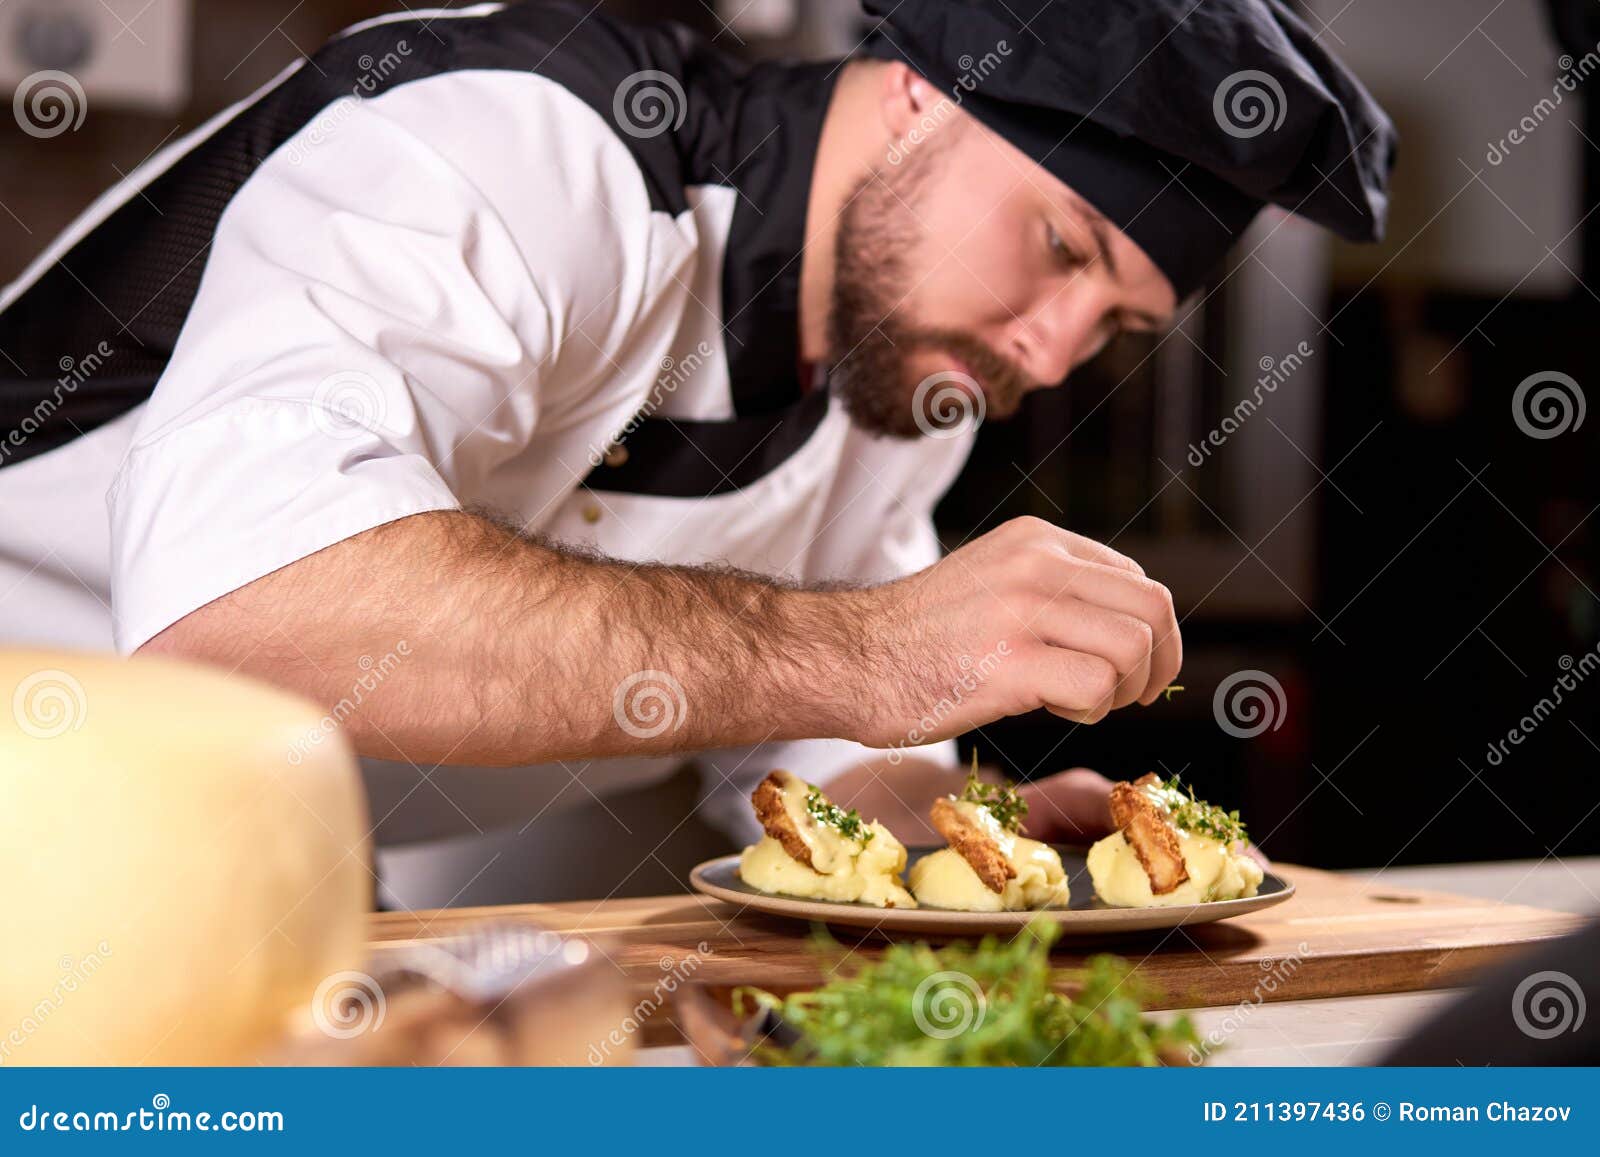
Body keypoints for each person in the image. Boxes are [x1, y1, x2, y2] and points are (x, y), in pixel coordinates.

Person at [0, 1, 1394, 903]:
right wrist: (885, 648)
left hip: (253, 877)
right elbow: (246, 615)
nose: (1048, 355)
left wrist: (967, 834)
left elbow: (801, 743)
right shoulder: (520, 137)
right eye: (1058, 250)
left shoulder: (896, 357)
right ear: (919, 94)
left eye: (1117, 325)